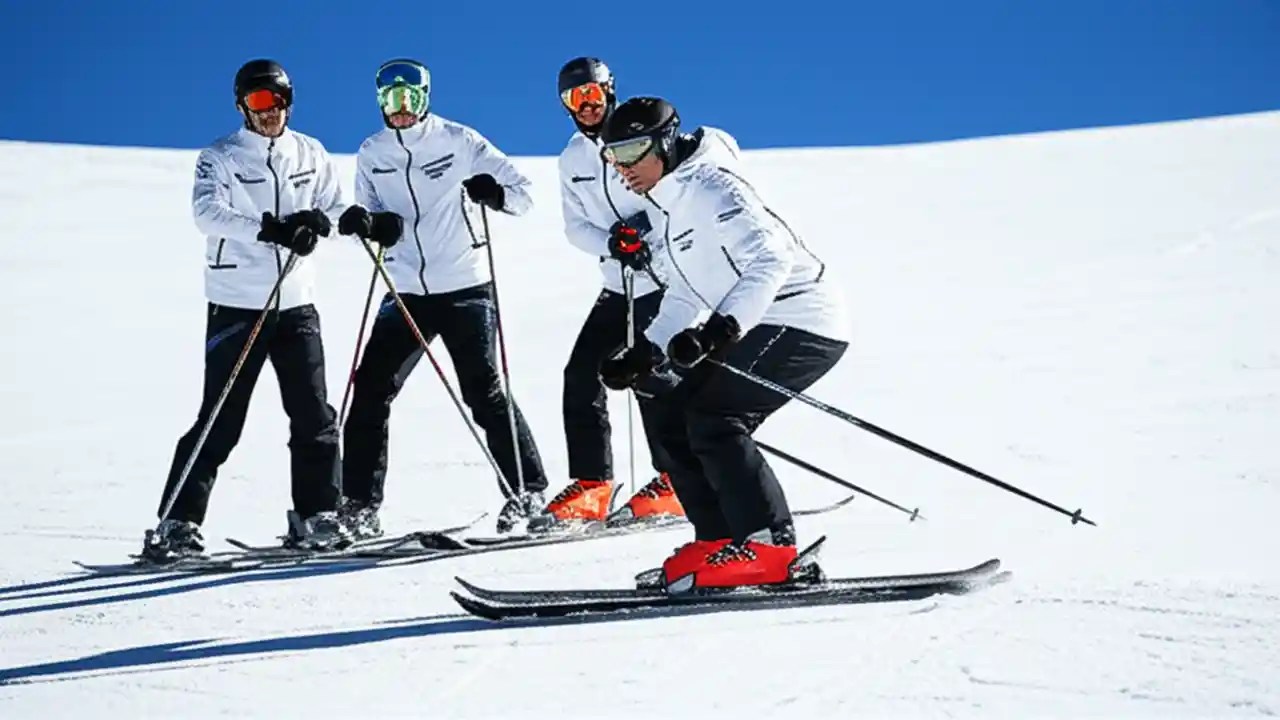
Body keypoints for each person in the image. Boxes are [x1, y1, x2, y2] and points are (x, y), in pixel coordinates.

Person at [597, 97, 851, 590]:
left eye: (631, 152)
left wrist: (720, 330)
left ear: (666, 142)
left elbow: (771, 260)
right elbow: (686, 289)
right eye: (612, 156)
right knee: (673, 414)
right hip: (761, 321)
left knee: (716, 419)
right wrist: (644, 350)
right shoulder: (670, 207)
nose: (622, 168)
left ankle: (770, 548)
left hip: (804, 317)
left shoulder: (714, 188)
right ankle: (717, 540)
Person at [144, 59, 350, 561]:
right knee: (220, 418)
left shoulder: (310, 152)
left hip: (297, 304)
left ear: (289, 102)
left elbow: (334, 205)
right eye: (258, 102)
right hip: (239, 303)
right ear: (241, 106)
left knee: (314, 416)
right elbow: (206, 213)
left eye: (276, 101)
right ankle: (177, 522)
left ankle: (318, 515)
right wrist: (273, 228)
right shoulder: (220, 157)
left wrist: (339, 220)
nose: (269, 112)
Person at [337, 58, 549, 536]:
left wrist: (495, 194)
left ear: (425, 97)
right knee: (371, 390)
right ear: (379, 102)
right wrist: (369, 227)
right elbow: (368, 221)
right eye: (391, 99)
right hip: (406, 290)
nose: (401, 108)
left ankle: (528, 492)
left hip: (465, 287)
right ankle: (359, 506)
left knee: (483, 390)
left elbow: (524, 194)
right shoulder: (372, 153)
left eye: (410, 98)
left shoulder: (459, 141)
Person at [532, 56, 684, 529]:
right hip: (617, 285)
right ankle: (592, 485)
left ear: (609, 91)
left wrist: (648, 238)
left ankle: (676, 479)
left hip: (661, 279)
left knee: (648, 373)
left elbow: (676, 197)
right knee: (582, 373)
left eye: (593, 94)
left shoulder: (638, 135)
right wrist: (612, 244)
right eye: (574, 99)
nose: (586, 106)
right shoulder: (571, 159)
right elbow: (575, 226)